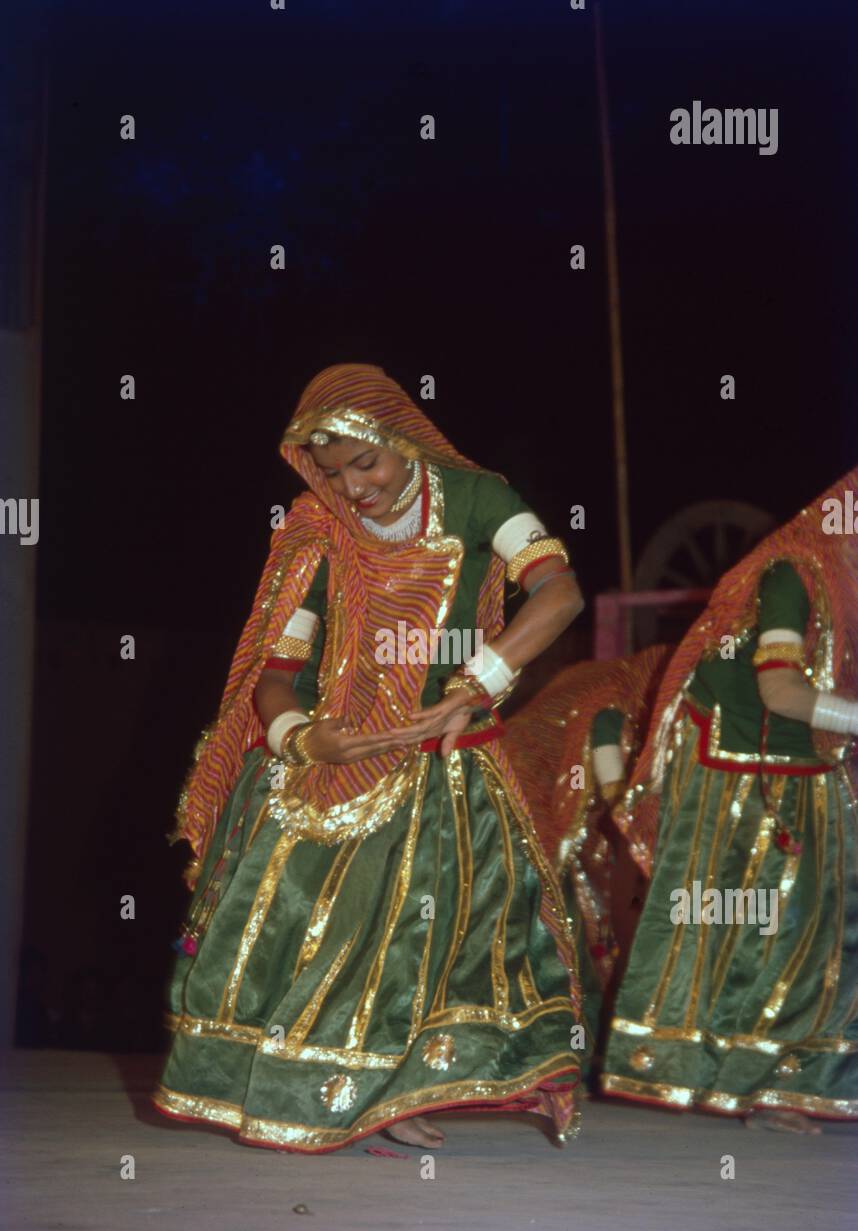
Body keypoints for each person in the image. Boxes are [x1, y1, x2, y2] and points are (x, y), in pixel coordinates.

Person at [152, 363, 587, 1153]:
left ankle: (407, 1087)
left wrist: (475, 684)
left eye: (366, 464)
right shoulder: (319, 529)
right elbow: (279, 675)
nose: (353, 488)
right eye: (331, 471)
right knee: (314, 932)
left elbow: (560, 593)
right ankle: (343, 1090)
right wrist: (303, 738)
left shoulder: (481, 497)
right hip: (329, 758)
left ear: (401, 443)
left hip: (443, 748)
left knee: (445, 933)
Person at [602, 470, 858, 1131]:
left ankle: (790, 1076)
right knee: (756, 922)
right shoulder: (793, 572)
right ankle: (747, 1083)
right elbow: (781, 692)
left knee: (822, 924)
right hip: (740, 765)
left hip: (812, 757)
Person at [506, 646, 671, 1060]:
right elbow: (617, 795)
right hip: (533, 802)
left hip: (544, 807)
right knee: (557, 929)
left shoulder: (629, 689)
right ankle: (558, 1055)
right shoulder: (616, 700)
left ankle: (580, 1051)